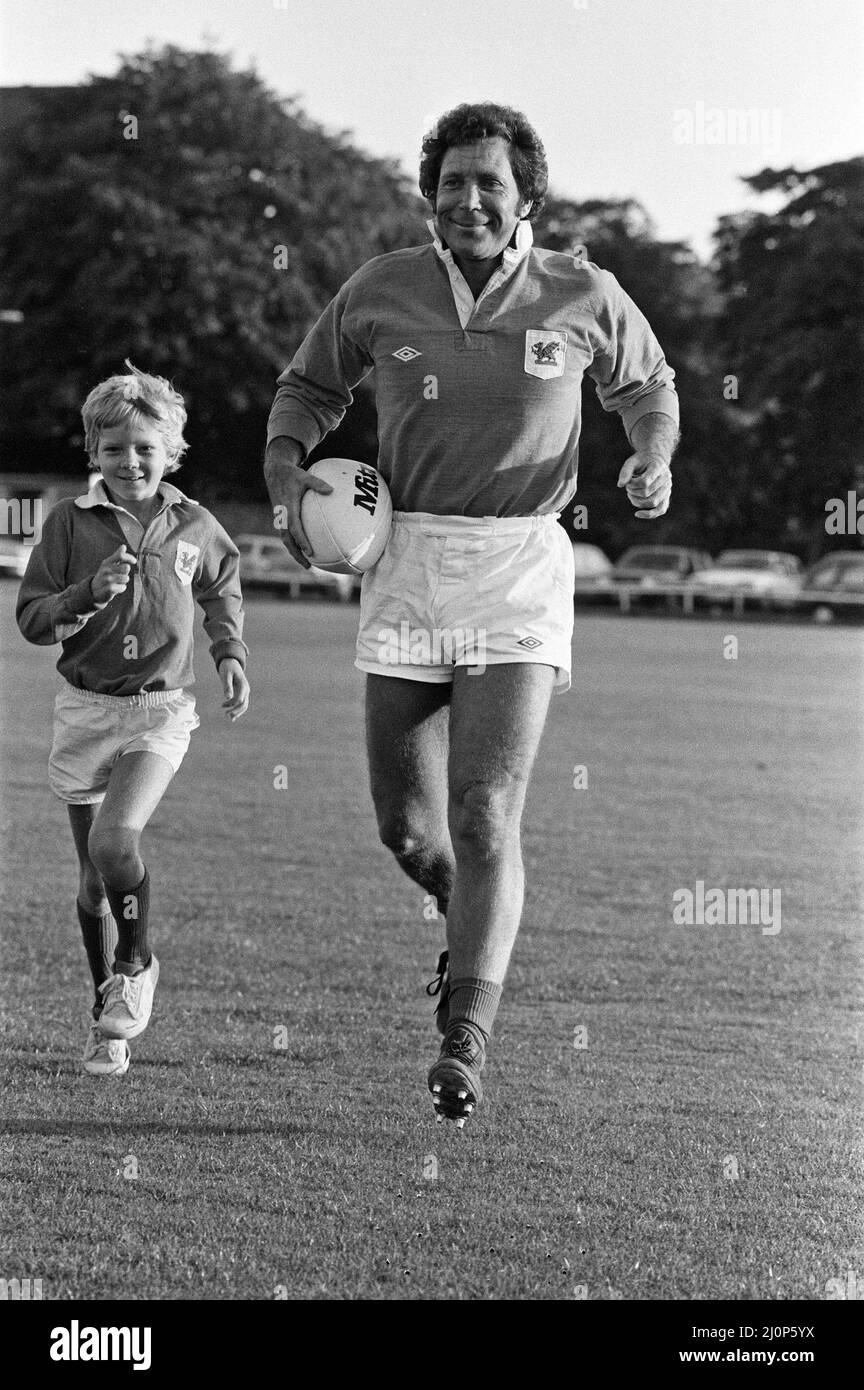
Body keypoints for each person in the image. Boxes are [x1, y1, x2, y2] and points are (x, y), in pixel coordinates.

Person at [264, 102, 678, 1126]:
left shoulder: (585, 290)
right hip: (404, 558)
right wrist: (286, 480)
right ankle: (473, 932)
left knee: (486, 811)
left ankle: (467, 1035)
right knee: (405, 830)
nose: (470, 198)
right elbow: (307, 389)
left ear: (526, 194)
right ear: (430, 195)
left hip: (520, 567)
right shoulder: (381, 289)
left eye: (490, 182)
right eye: (452, 182)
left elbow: (650, 385)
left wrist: (653, 452)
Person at [17, 362, 250, 1077]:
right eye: (114, 448)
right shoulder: (68, 524)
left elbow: (221, 590)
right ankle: (107, 1022)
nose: (130, 461)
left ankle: (137, 961)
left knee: (118, 844)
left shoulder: (196, 525)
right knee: (92, 885)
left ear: (171, 449)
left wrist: (230, 654)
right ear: (95, 451)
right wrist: (86, 592)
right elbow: (32, 619)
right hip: (84, 712)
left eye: (145, 447)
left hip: (158, 711)